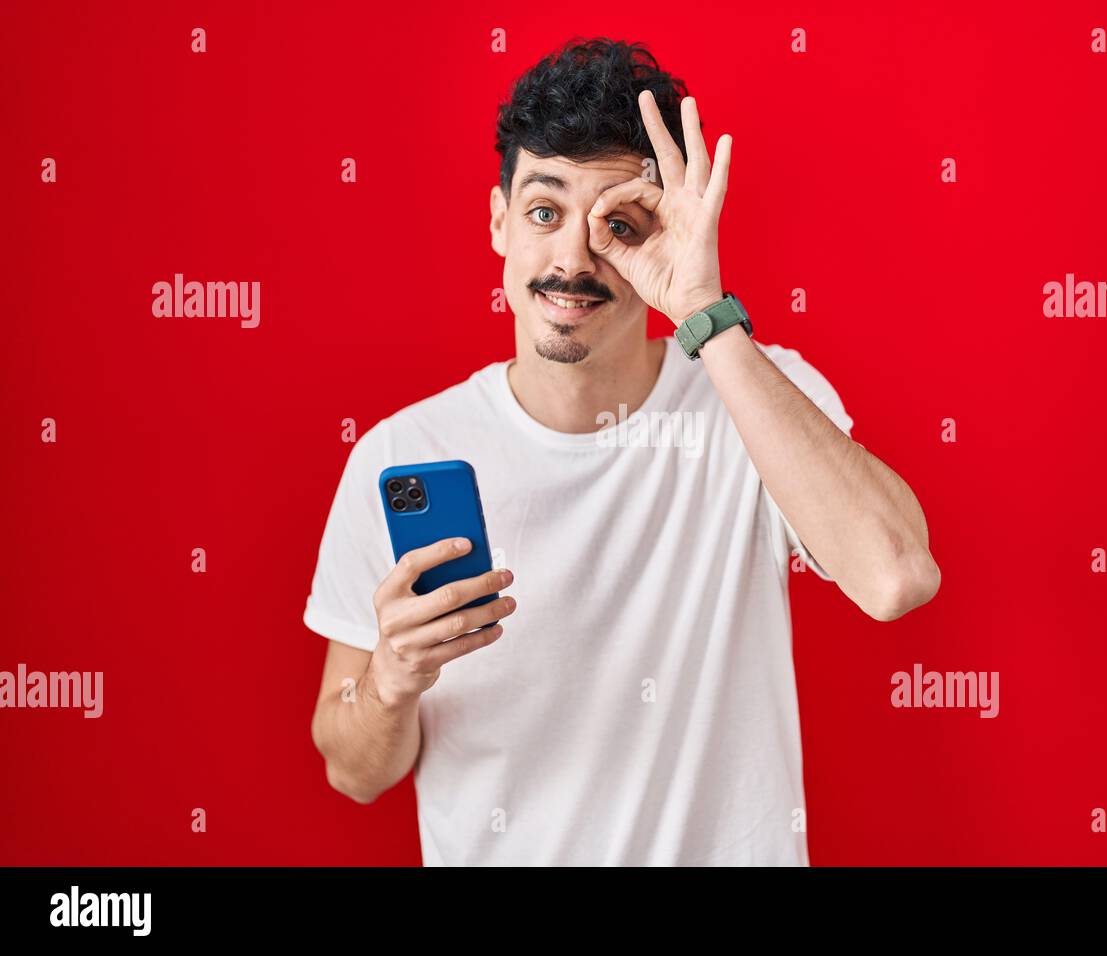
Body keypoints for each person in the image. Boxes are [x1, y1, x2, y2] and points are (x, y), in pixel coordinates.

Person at [306, 36, 940, 866]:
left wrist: (703, 312)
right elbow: (353, 773)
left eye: (619, 223)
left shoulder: (750, 390)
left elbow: (896, 575)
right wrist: (392, 677)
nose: (572, 257)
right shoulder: (401, 452)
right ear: (498, 222)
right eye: (543, 211)